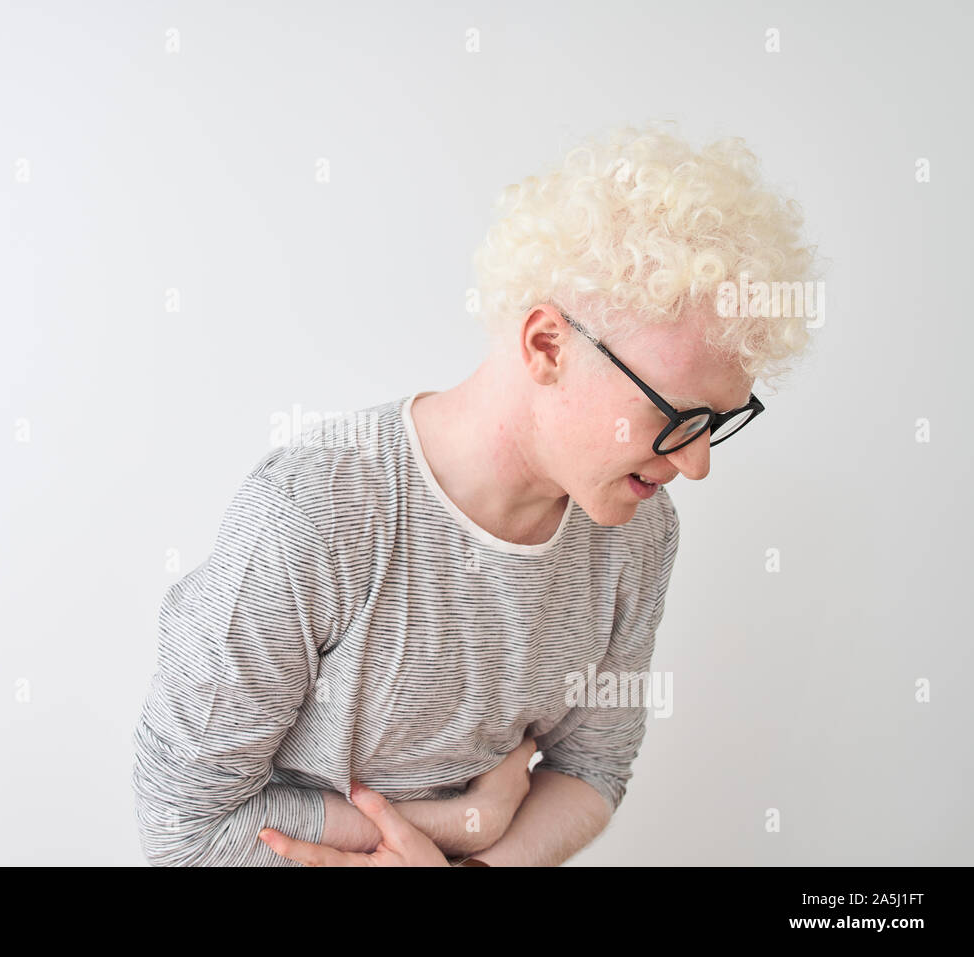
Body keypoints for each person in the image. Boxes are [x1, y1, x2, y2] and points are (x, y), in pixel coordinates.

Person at [132, 122, 820, 866]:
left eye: (717, 422)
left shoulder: (638, 530)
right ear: (547, 345)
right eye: (676, 415)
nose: (697, 463)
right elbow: (182, 827)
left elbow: (592, 770)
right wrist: (468, 823)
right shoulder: (314, 508)